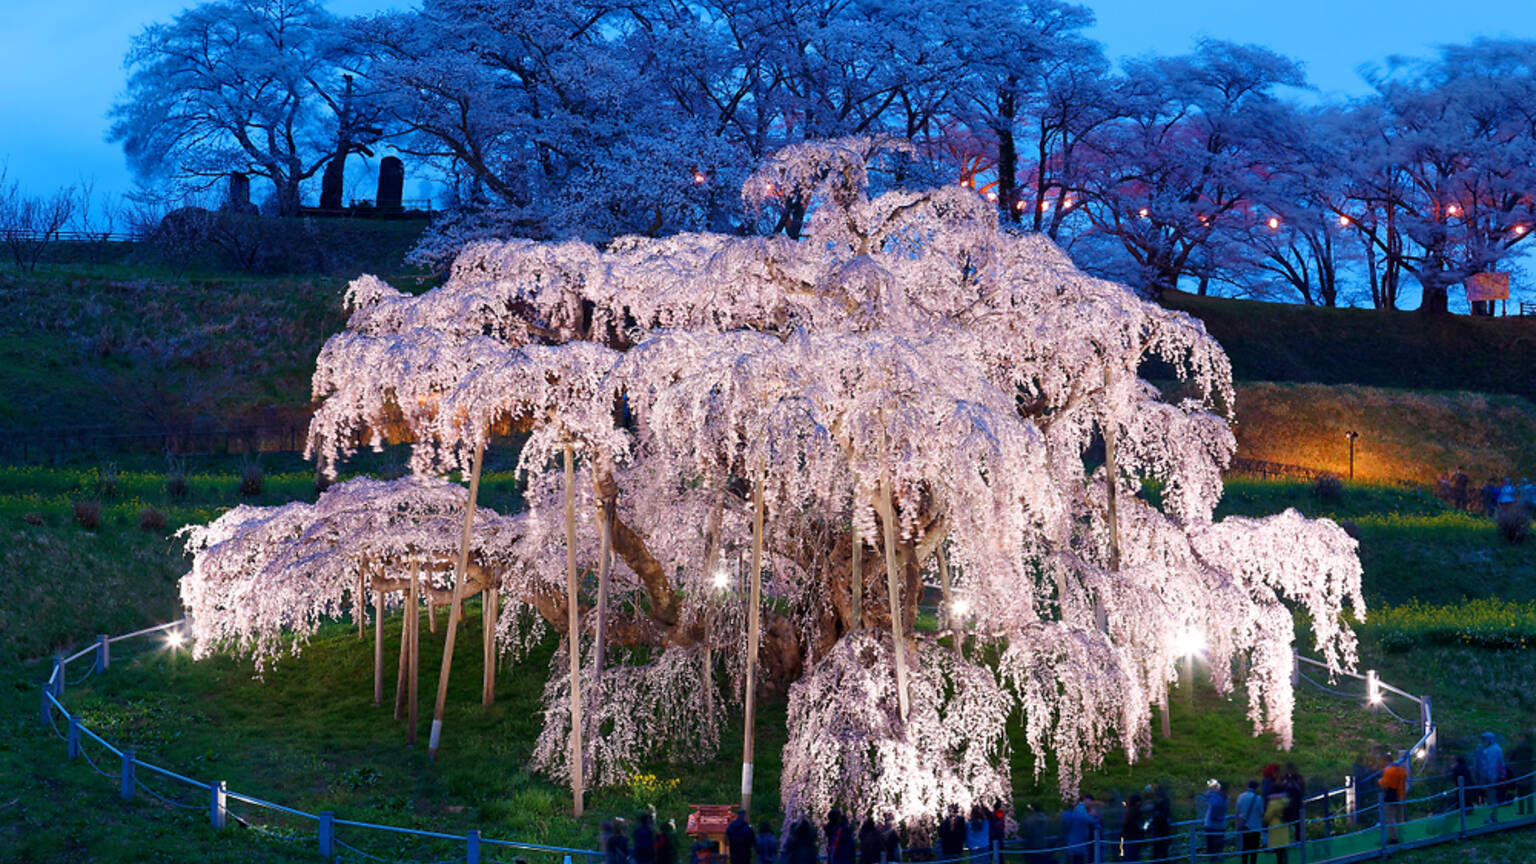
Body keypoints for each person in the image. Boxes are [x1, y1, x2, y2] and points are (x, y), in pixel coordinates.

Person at [1061, 793, 1101, 864]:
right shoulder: (1081, 809)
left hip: (1079, 841)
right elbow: (1087, 819)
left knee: (1078, 858)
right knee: (1077, 859)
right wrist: (1096, 818)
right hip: (1078, 841)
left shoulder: (1081, 809)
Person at [1475, 731, 1506, 817]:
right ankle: (1493, 815)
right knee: (1491, 797)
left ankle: (1493, 817)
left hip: (1491, 778)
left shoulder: (1491, 750)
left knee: (1492, 798)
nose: (1483, 742)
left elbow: (1492, 766)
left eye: (1484, 740)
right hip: (1492, 777)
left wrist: (1491, 779)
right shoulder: (1495, 748)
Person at [1378, 752, 1407, 844]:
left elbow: (1384, 784)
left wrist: (1379, 782)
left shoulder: (1388, 770)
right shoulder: (1400, 770)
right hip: (1399, 794)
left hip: (1390, 794)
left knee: (1389, 817)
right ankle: (1400, 835)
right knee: (1397, 816)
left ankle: (1393, 838)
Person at [1234, 780, 1264, 864]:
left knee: (1245, 847)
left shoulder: (1240, 796)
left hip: (1244, 825)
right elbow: (1261, 812)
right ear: (1256, 788)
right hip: (1255, 826)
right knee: (1254, 848)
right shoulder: (1258, 798)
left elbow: (1237, 811)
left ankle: (1244, 862)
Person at [1199, 779, 1227, 860]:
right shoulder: (1226, 797)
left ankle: (1213, 858)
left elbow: (1205, 797)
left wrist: (1210, 789)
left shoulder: (1213, 796)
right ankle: (1220, 856)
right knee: (1220, 843)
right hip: (1221, 824)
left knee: (1211, 843)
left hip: (1211, 824)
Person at [1147, 784, 1173, 863]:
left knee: (1159, 854)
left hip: (1160, 832)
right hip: (1162, 831)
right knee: (1162, 854)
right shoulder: (1164, 803)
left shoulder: (1160, 805)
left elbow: (1157, 817)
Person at [1120, 794, 1145, 862]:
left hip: (1127, 837)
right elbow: (1142, 823)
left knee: (1128, 857)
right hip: (1133, 837)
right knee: (1133, 857)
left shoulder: (1127, 811)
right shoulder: (1136, 810)